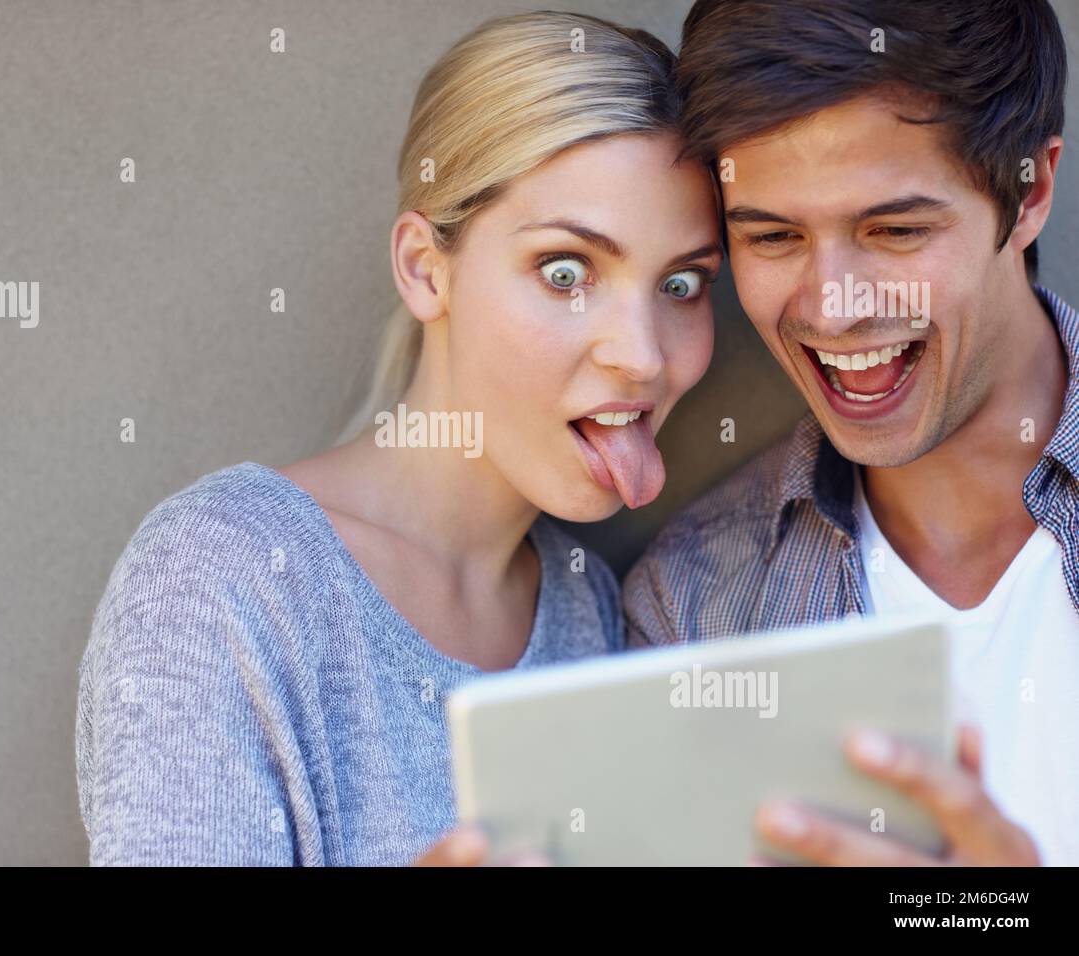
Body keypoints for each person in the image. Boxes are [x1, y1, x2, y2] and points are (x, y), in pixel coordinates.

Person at [76, 10, 722, 866]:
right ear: (427, 268)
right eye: (565, 272)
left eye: (682, 283)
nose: (641, 356)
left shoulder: (591, 610)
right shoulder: (221, 579)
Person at [628, 0, 1075, 865]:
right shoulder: (691, 609)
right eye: (774, 236)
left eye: (895, 230)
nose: (834, 306)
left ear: (1031, 193)